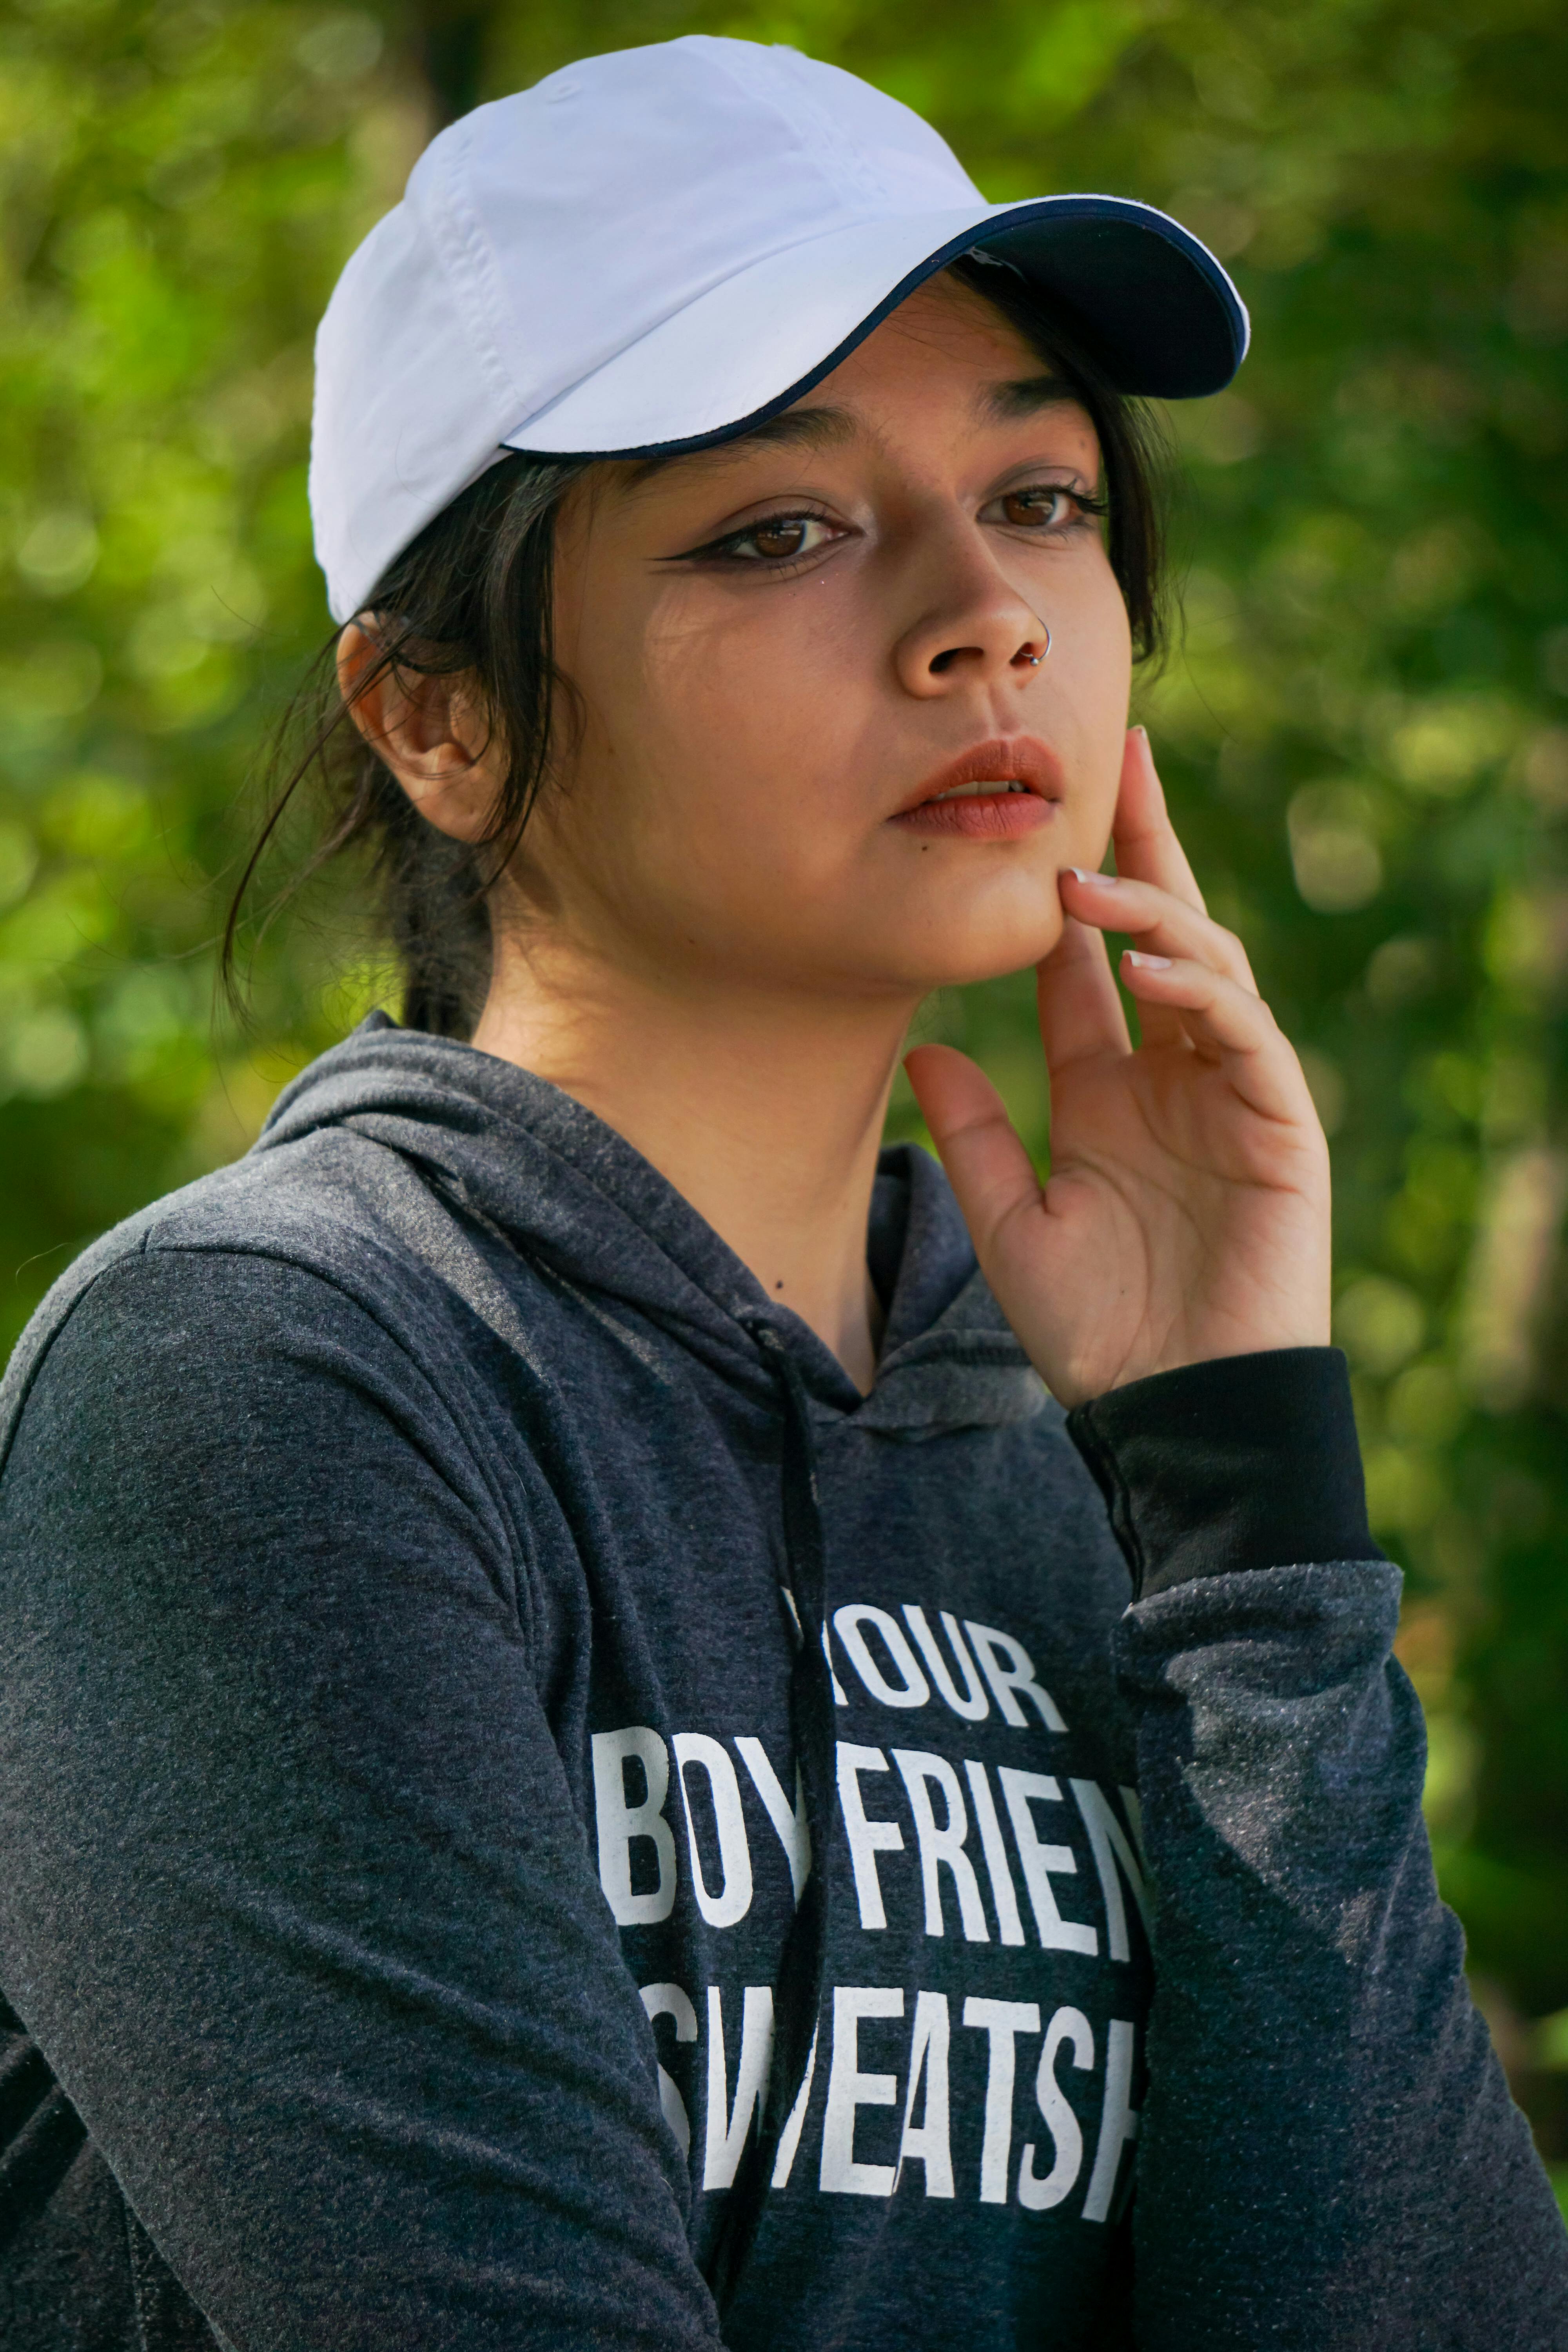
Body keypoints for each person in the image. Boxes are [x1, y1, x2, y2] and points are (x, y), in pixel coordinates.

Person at [0, 34, 1563, 2352]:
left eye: (1042, 500)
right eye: (781, 529)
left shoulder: (1072, 1467)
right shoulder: (268, 1386)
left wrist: (1241, 1468)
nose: (983, 616)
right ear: (442, 717)